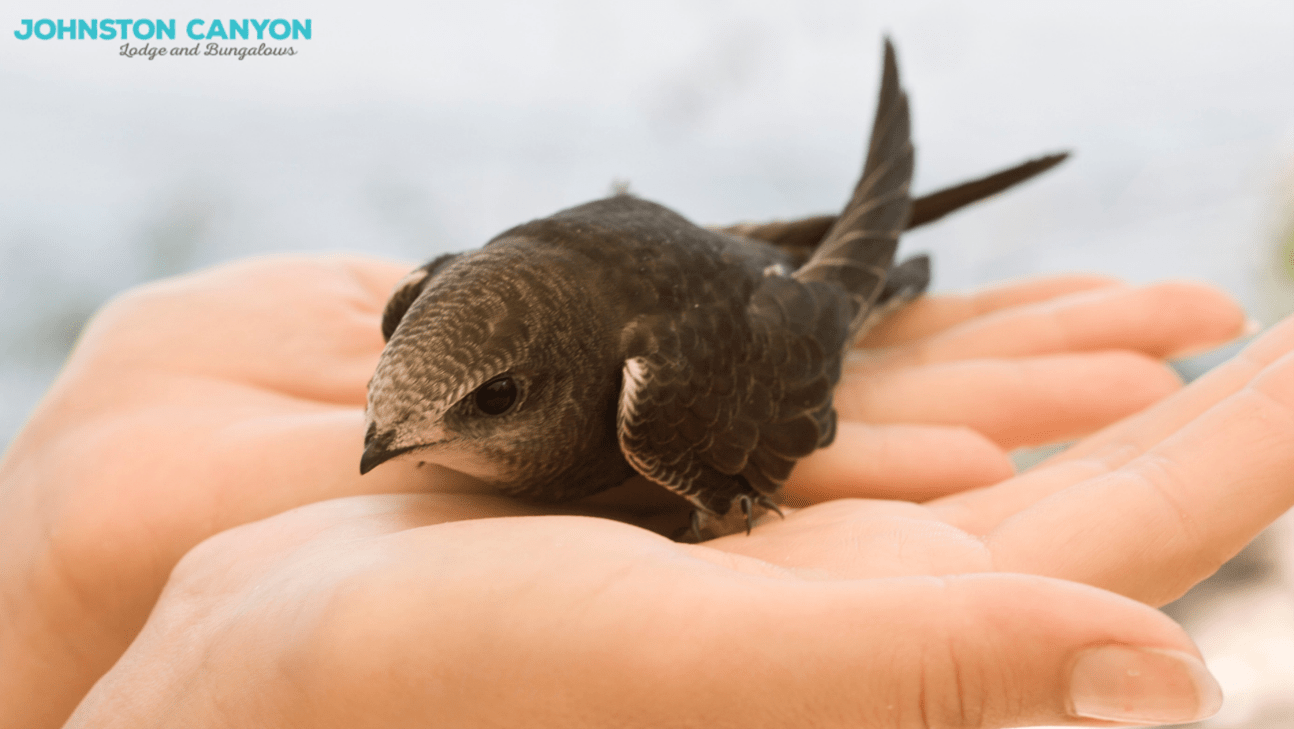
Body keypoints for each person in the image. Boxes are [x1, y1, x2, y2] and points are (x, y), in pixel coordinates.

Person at [1, 253, 1282, 728]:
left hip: (722, 289)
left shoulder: (654, 401)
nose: (388, 450)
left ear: (536, 392)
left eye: (477, 407)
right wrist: (48, 577)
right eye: (395, 410)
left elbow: (733, 305)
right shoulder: (430, 324)